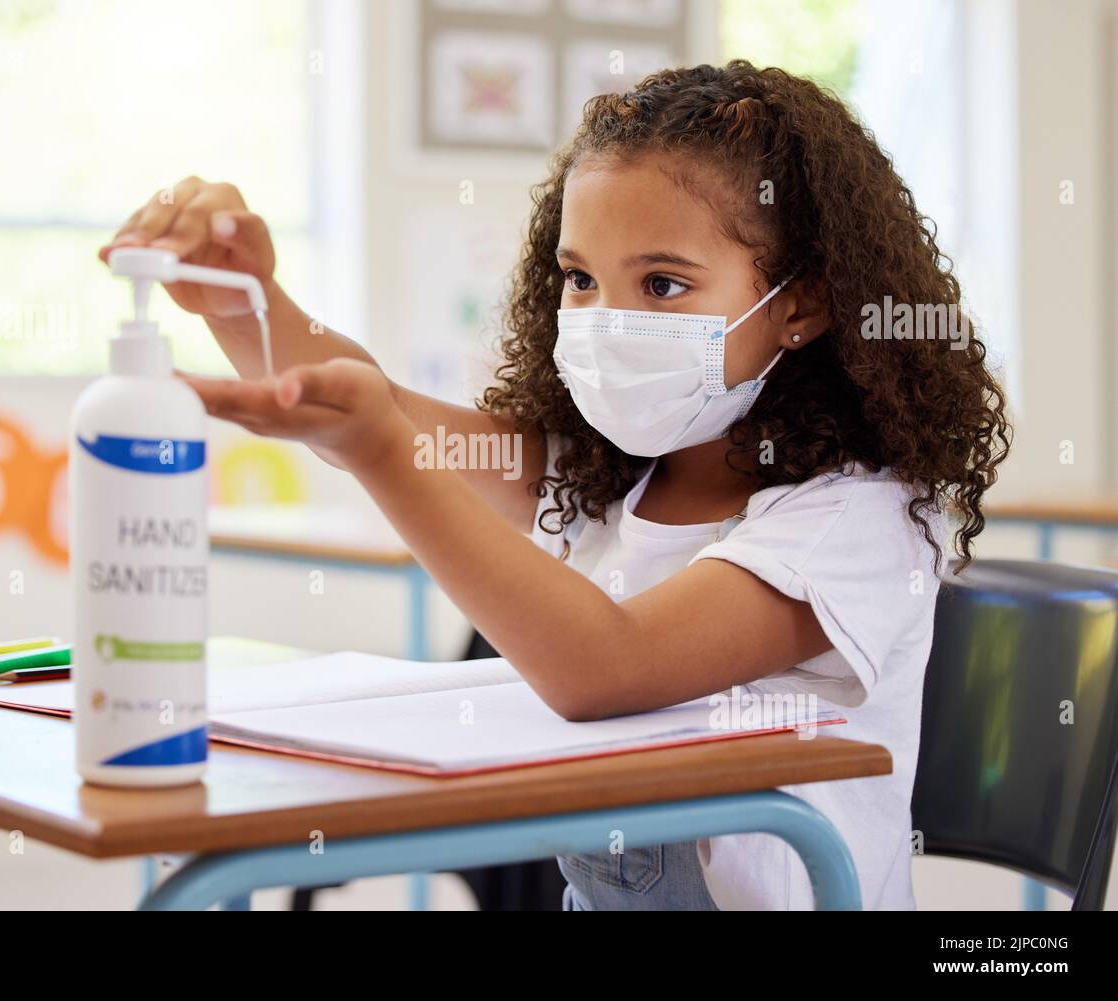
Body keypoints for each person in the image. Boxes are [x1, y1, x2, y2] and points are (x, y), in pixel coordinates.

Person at [100, 61, 1010, 909]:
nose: (607, 320)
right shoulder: (612, 474)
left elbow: (607, 668)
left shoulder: (855, 516)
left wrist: (382, 452)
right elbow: (379, 410)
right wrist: (245, 299)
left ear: (802, 304)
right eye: (579, 278)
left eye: (662, 283)